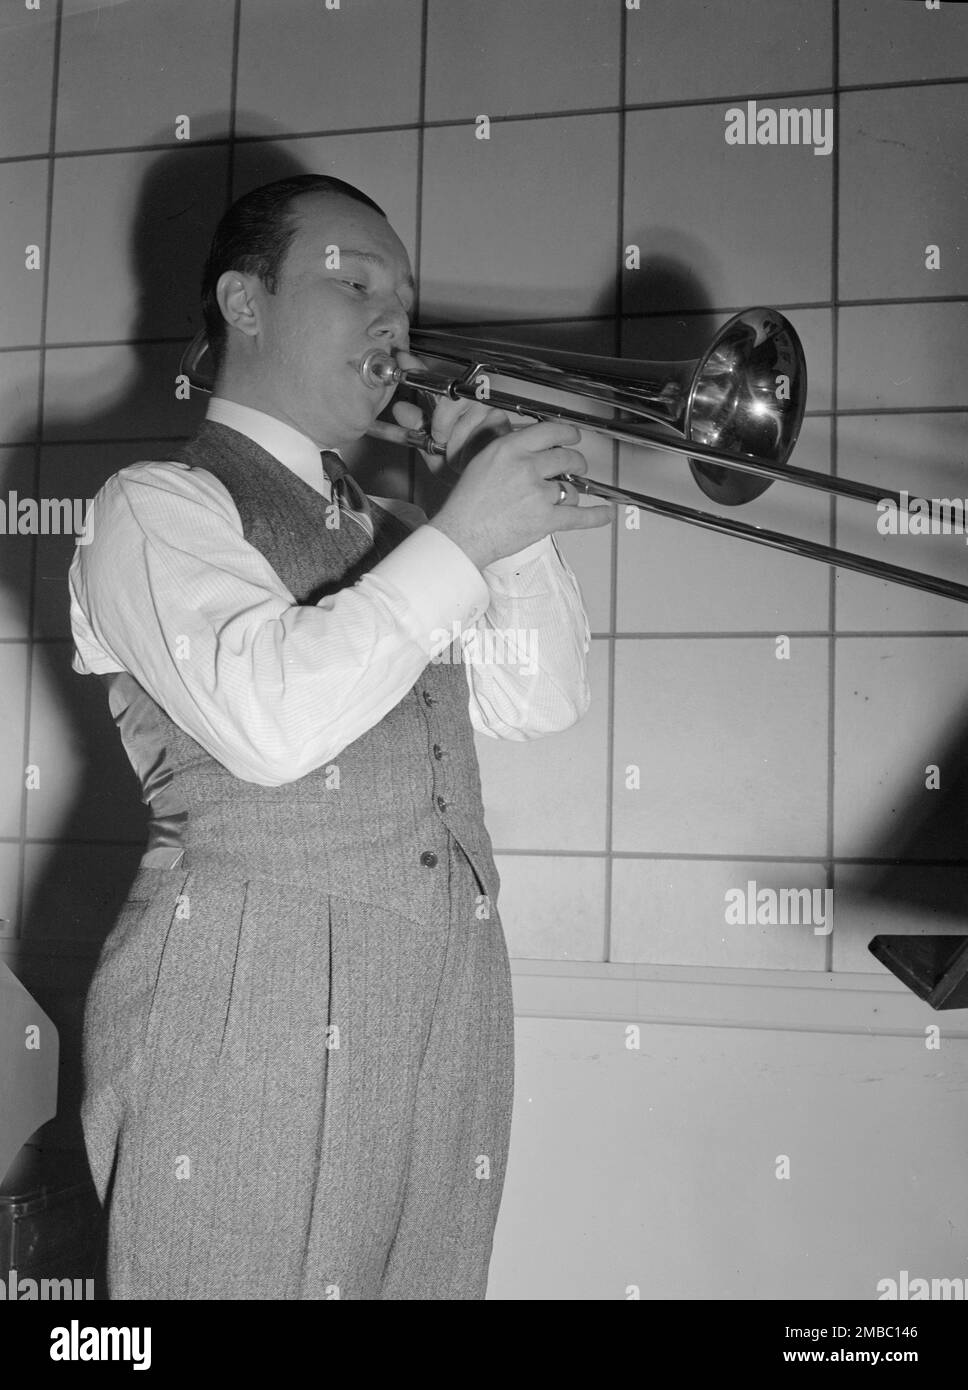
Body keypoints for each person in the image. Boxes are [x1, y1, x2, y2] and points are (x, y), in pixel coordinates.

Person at [69, 173, 613, 1300]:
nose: (391, 321)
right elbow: (269, 726)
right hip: (243, 983)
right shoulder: (154, 503)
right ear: (243, 300)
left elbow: (541, 699)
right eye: (351, 280)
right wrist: (464, 532)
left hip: (446, 978)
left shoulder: (398, 532)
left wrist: (496, 534)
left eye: (401, 299)